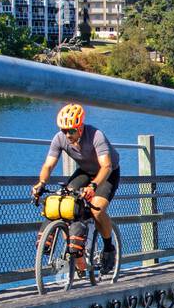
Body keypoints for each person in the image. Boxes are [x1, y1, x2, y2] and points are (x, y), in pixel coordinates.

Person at [32, 103, 119, 274]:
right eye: (64, 130)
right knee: (66, 204)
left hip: (107, 173)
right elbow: (48, 166)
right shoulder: (60, 138)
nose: (67, 134)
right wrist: (41, 183)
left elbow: (106, 166)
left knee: (97, 209)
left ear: (80, 128)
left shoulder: (96, 135)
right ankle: (77, 253)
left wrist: (93, 186)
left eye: (71, 130)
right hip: (85, 171)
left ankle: (109, 249)